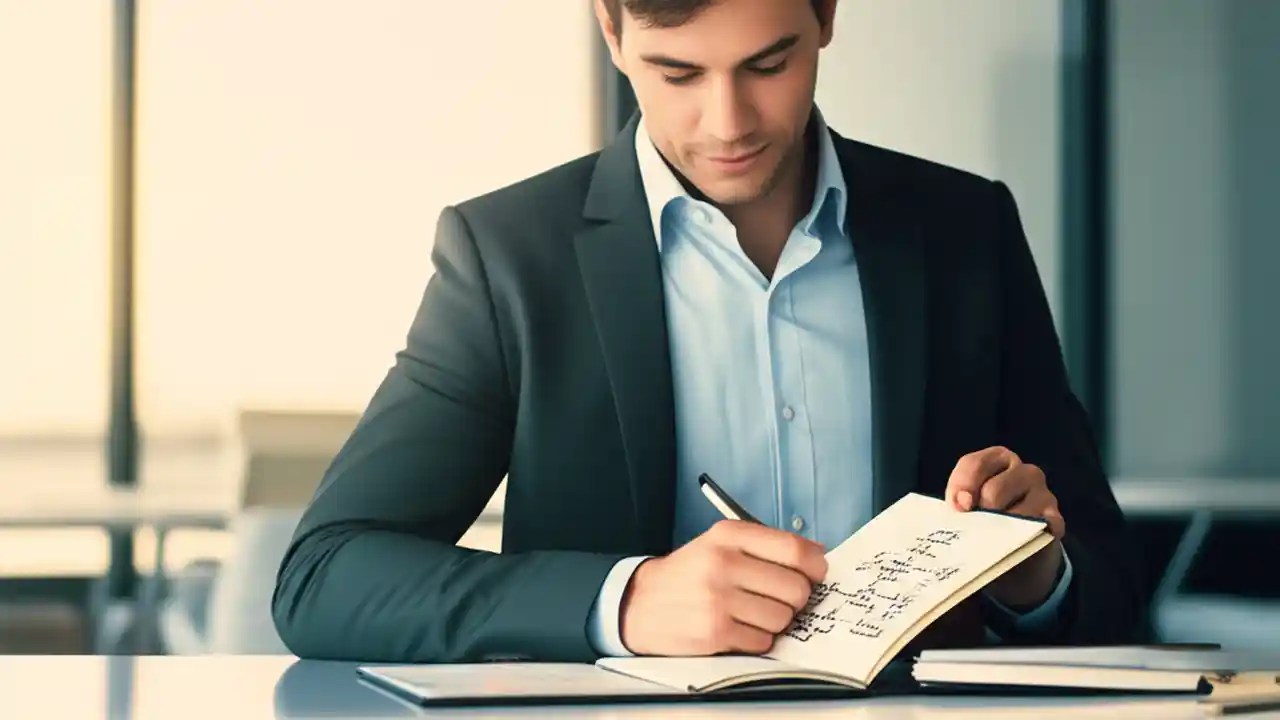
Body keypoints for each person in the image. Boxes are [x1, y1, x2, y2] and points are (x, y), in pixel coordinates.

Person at [271, 0, 1143, 662]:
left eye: (769, 64)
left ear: (827, 16)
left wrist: (1036, 579)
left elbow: (1113, 581)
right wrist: (626, 602)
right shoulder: (511, 258)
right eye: (678, 74)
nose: (729, 124)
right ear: (610, 31)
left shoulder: (966, 231)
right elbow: (326, 577)